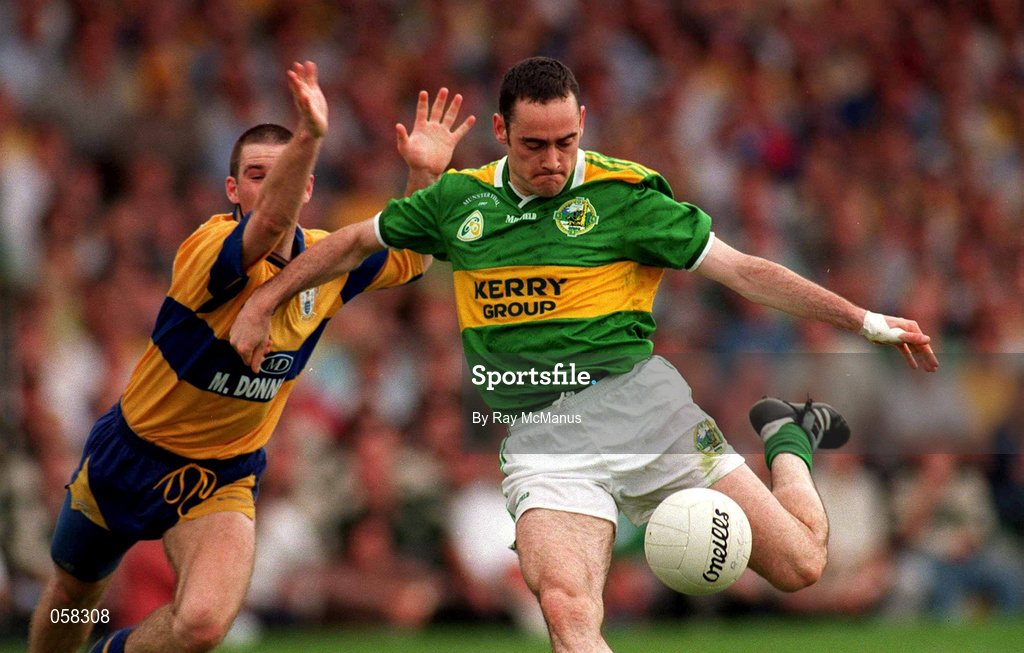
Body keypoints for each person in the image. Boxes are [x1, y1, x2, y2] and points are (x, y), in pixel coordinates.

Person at [230, 57, 938, 653]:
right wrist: (262, 303)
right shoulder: (461, 201)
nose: (553, 160)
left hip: (647, 413)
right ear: (501, 131)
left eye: (566, 141)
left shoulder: (626, 194)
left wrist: (862, 317)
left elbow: (746, 269)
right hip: (545, 440)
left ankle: (785, 434)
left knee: (801, 564)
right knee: (569, 610)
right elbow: (356, 241)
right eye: (535, 145)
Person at [28, 61, 474, 653]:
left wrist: (420, 173)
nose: (269, 186)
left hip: (224, 476)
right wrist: (310, 139)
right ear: (233, 190)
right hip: (132, 456)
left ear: (310, 186)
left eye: (284, 172)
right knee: (72, 598)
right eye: (256, 175)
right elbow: (266, 228)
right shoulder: (209, 247)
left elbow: (411, 255)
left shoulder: (328, 262)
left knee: (202, 625)